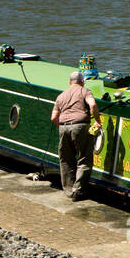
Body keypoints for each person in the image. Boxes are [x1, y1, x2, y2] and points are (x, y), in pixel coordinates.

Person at [50, 71, 100, 200]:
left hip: (63, 126)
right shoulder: (85, 91)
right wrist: (98, 121)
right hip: (80, 126)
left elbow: (53, 117)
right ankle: (78, 191)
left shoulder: (61, 96)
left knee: (66, 159)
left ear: (69, 82)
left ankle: (68, 190)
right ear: (82, 81)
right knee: (84, 159)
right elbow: (93, 104)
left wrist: (63, 127)